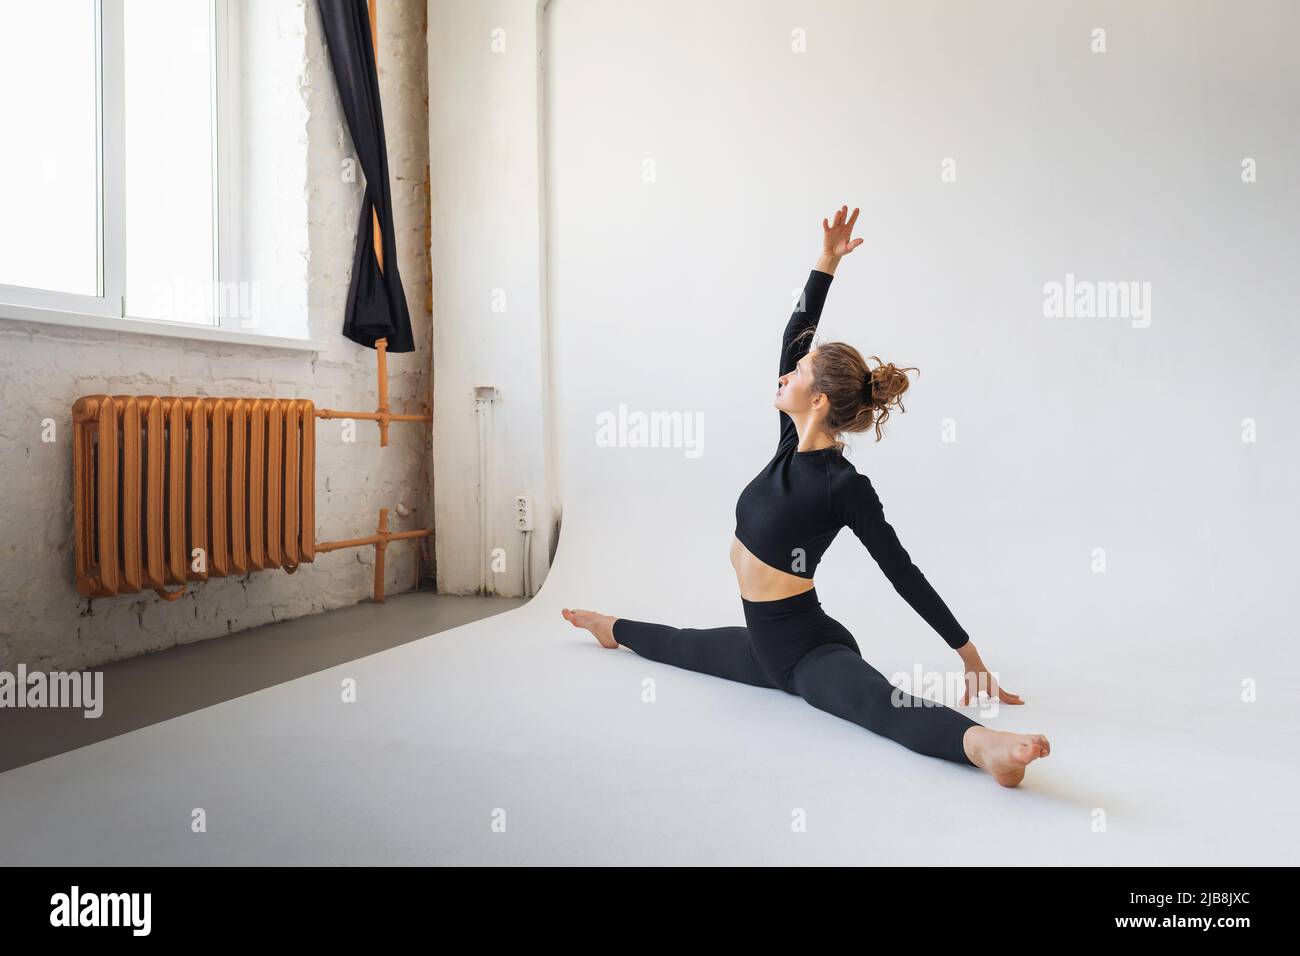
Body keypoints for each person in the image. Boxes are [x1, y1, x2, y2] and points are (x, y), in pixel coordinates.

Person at [564, 205, 1050, 787]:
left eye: (797, 374)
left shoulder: (843, 487)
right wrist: (826, 262)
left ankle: (987, 747)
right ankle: (609, 627)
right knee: (680, 645)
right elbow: (795, 335)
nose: (784, 375)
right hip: (763, 647)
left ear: (818, 400)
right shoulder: (786, 447)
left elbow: (902, 571)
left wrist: (968, 654)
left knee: (880, 705)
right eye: (792, 369)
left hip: (807, 653)